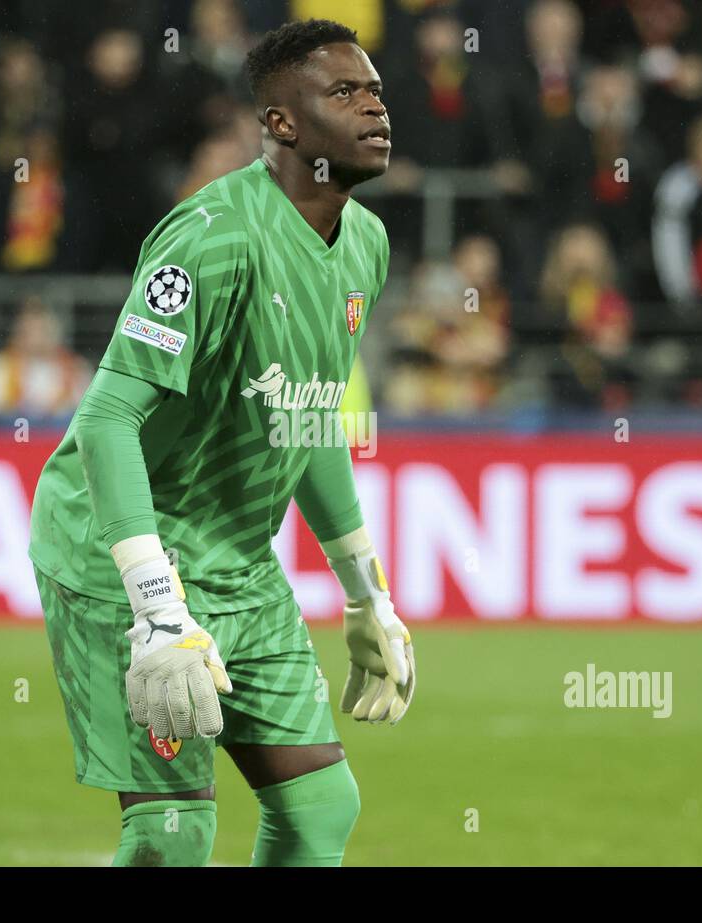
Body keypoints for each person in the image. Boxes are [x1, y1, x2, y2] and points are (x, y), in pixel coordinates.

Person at [28, 19, 415, 868]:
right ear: (281, 125)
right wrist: (157, 607)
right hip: (120, 556)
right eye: (344, 93)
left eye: (376, 91)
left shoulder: (366, 246)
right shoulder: (212, 239)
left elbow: (306, 418)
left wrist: (365, 593)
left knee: (321, 811)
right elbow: (105, 420)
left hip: (238, 565)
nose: (374, 108)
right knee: (173, 836)